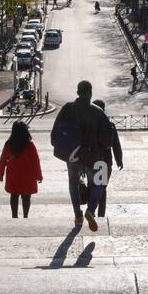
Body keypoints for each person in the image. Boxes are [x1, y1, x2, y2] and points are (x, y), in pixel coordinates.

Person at [51, 81, 109, 229]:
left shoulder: (68, 108)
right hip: (93, 155)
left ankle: (77, 215)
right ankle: (90, 210)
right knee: (98, 183)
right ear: (90, 93)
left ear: (77, 92)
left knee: (73, 182)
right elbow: (106, 140)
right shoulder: (98, 112)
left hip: (72, 154)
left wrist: (58, 145)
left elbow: (56, 130)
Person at [81, 99, 123, 228]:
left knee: (91, 186)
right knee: (102, 189)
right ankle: (99, 215)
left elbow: (81, 145)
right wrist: (119, 159)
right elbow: (115, 144)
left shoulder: (86, 125)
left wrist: (81, 163)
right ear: (103, 110)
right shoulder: (109, 124)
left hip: (89, 161)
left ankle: (91, 210)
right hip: (104, 162)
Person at [0, 121, 42, 218]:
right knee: (26, 197)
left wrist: (0, 175)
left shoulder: (8, 144)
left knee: (14, 196)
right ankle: (25, 216)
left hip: (13, 175)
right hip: (28, 176)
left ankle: (14, 216)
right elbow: (36, 162)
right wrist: (39, 176)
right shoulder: (30, 145)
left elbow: (3, 161)